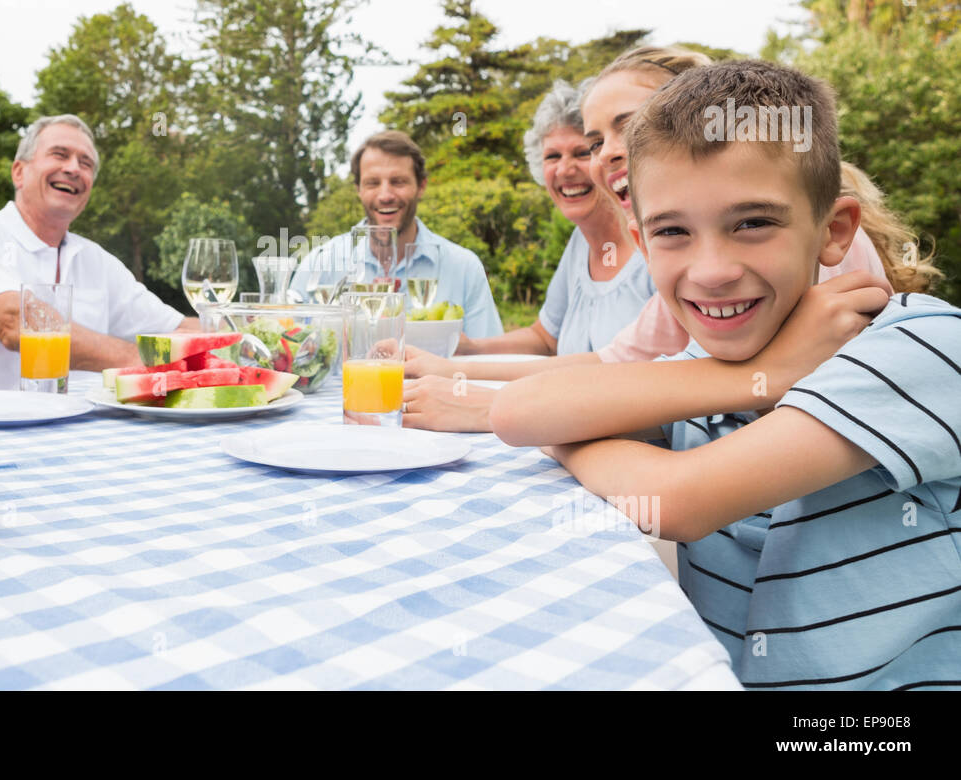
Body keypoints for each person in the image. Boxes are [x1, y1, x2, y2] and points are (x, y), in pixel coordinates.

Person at [491, 59, 961, 690]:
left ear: (834, 230)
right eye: (673, 232)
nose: (711, 269)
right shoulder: (722, 370)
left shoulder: (920, 345)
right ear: (641, 237)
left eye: (752, 223)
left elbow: (677, 502)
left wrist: (576, 435)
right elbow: (520, 411)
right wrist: (765, 374)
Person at [401, 46, 900, 431]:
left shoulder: (809, 257)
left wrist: (489, 403)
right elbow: (611, 365)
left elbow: (770, 387)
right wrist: (458, 371)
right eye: (597, 140)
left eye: (633, 128)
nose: (611, 154)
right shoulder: (676, 259)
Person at [0, 114, 198, 390]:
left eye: (86, 163)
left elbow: (176, 329)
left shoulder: (97, 259)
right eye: (59, 155)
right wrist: (144, 360)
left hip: (91, 427)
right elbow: (18, 325)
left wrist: (241, 331)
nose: (74, 169)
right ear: (19, 172)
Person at [289, 130, 503, 338]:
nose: (385, 195)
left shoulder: (464, 268)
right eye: (373, 183)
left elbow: (487, 357)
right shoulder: (320, 263)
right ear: (358, 190)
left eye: (398, 181)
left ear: (421, 186)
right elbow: (287, 350)